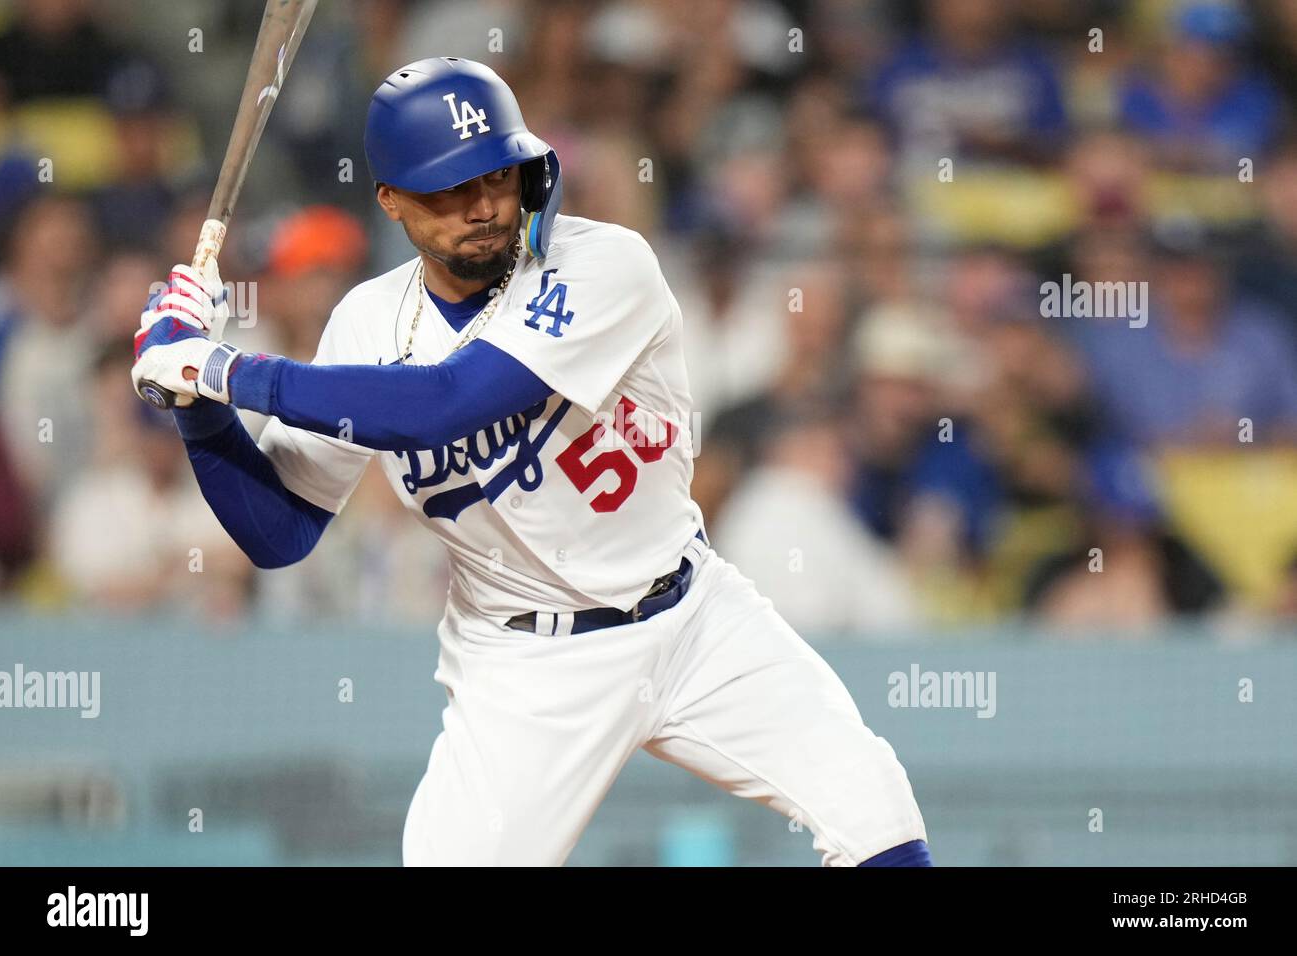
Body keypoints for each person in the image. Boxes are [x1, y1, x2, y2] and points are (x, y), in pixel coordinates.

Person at [130, 57, 929, 867]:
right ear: (392, 202)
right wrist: (195, 407)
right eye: (450, 190)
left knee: (877, 814)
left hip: (692, 615)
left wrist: (218, 367)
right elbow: (280, 532)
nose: (483, 208)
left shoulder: (604, 265)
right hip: (523, 666)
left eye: (498, 178)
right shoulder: (367, 322)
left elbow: (447, 401)